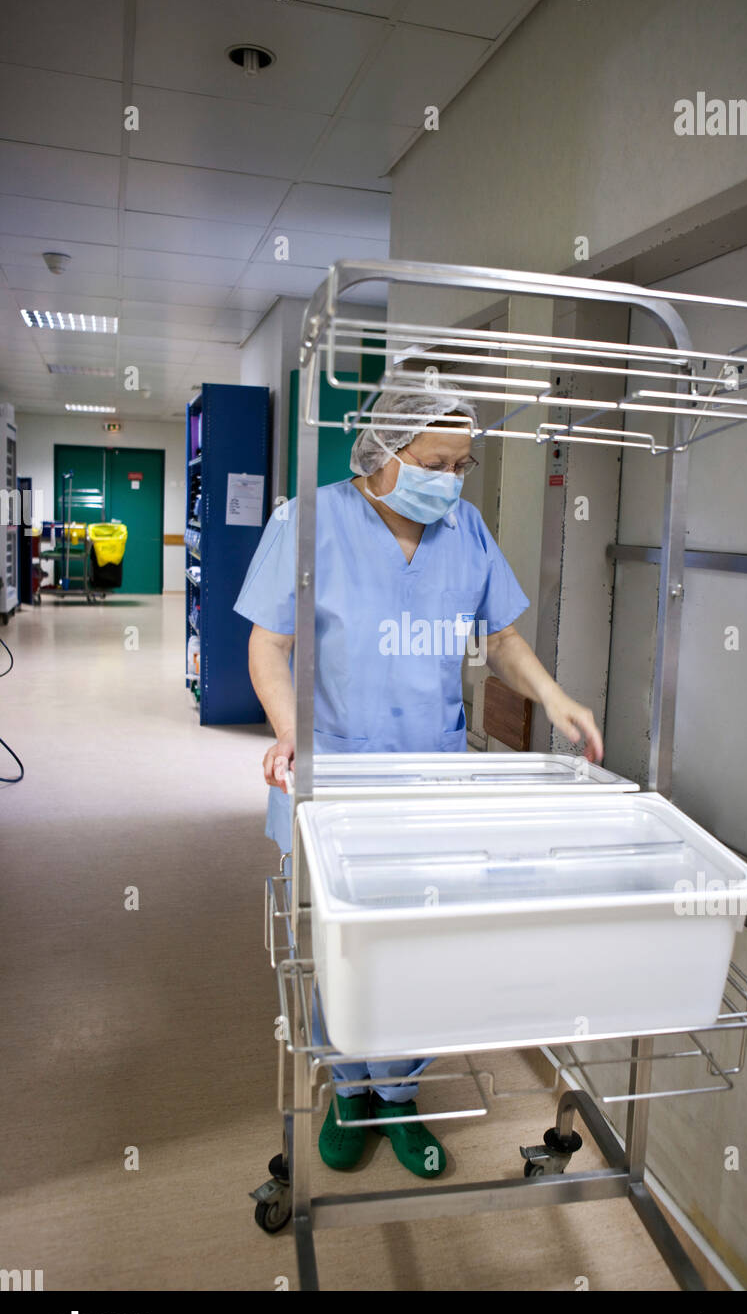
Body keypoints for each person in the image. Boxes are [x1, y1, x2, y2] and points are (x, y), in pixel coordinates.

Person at [234, 377, 603, 1180]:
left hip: (427, 778)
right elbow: (268, 645)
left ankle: (398, 1096)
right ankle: (348, 1095)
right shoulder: (308, 523)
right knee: (339, 948)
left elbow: (498, 637)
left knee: (418, 948)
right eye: (438, 461)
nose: (453, 478)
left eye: (464, 463)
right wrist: (290, 730)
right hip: (332, 773)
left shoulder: (464, 528)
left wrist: (556, 696)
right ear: (383, 453)